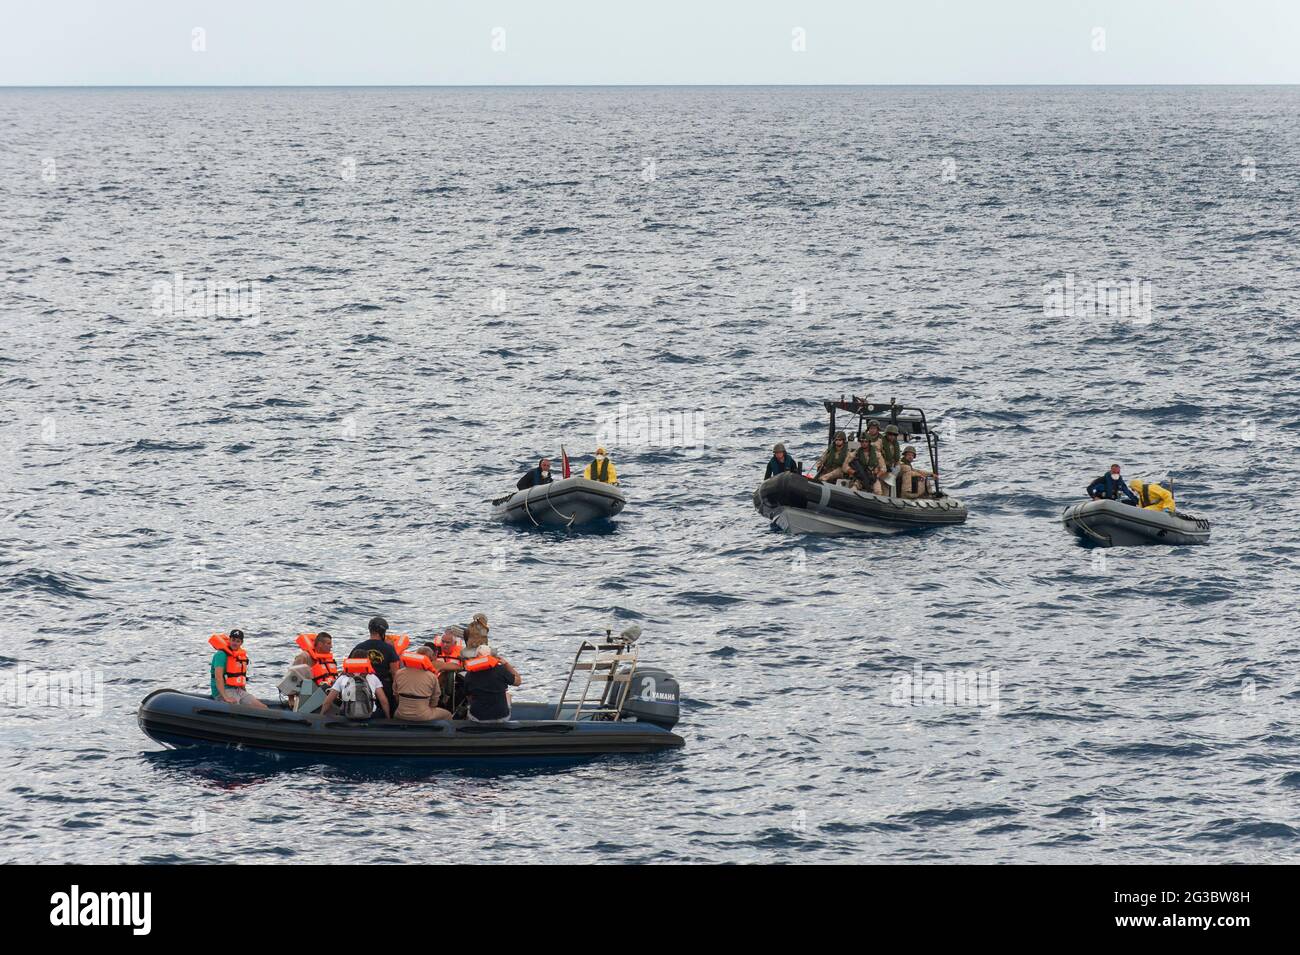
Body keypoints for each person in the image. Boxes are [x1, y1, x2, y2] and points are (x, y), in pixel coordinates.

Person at [348, 616, 402, 707]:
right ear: (382, 632)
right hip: (384, 688)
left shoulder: (359, 647)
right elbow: (395, 673)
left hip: (361, 687)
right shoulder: (389, 649)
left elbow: (349, 668)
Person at [278, 632, 338, 712]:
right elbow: (292, 676)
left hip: (327, 692)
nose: (331, 646)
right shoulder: (304, 656)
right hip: (309, 692)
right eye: (328, 643)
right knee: (307, 681)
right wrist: (291, 698)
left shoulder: (328, 660)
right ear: (320, 644)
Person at [393, 646, 456, 721]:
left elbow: (396, 695)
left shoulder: (399, 673)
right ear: (429, 660)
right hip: (422, 715)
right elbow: (435, 700)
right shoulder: (431, 676)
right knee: (448, 715)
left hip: (400, 713)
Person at [462, 645, 522, 723]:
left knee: (471, 703)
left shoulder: (469, 674)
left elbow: (469, 697)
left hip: (478, 718)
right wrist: (506, 664)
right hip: (501, 717)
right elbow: (518, 682)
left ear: (476, 657)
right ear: (491, 657)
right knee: (508, 695)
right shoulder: (501, 670)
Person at [209, 630, 267, 708]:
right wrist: (225, 697)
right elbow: (218, 677)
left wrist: (244, 692)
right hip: (222, 691)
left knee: (263, 708)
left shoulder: (240, 656)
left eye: (238, 641)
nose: (234, 643)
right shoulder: (221, 655)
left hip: (238, 690)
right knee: (235, 707)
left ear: (241, 643)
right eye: (233, 640)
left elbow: (240, 677)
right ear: (229, 639)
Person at [320, 657, 391, 719]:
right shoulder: (373, 677)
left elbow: (328, 701)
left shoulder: (342, 677)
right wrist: (388, 718)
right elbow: (383, 701)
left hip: (347, 714)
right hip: (370, 714)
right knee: (380, 712)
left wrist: (320, 717)